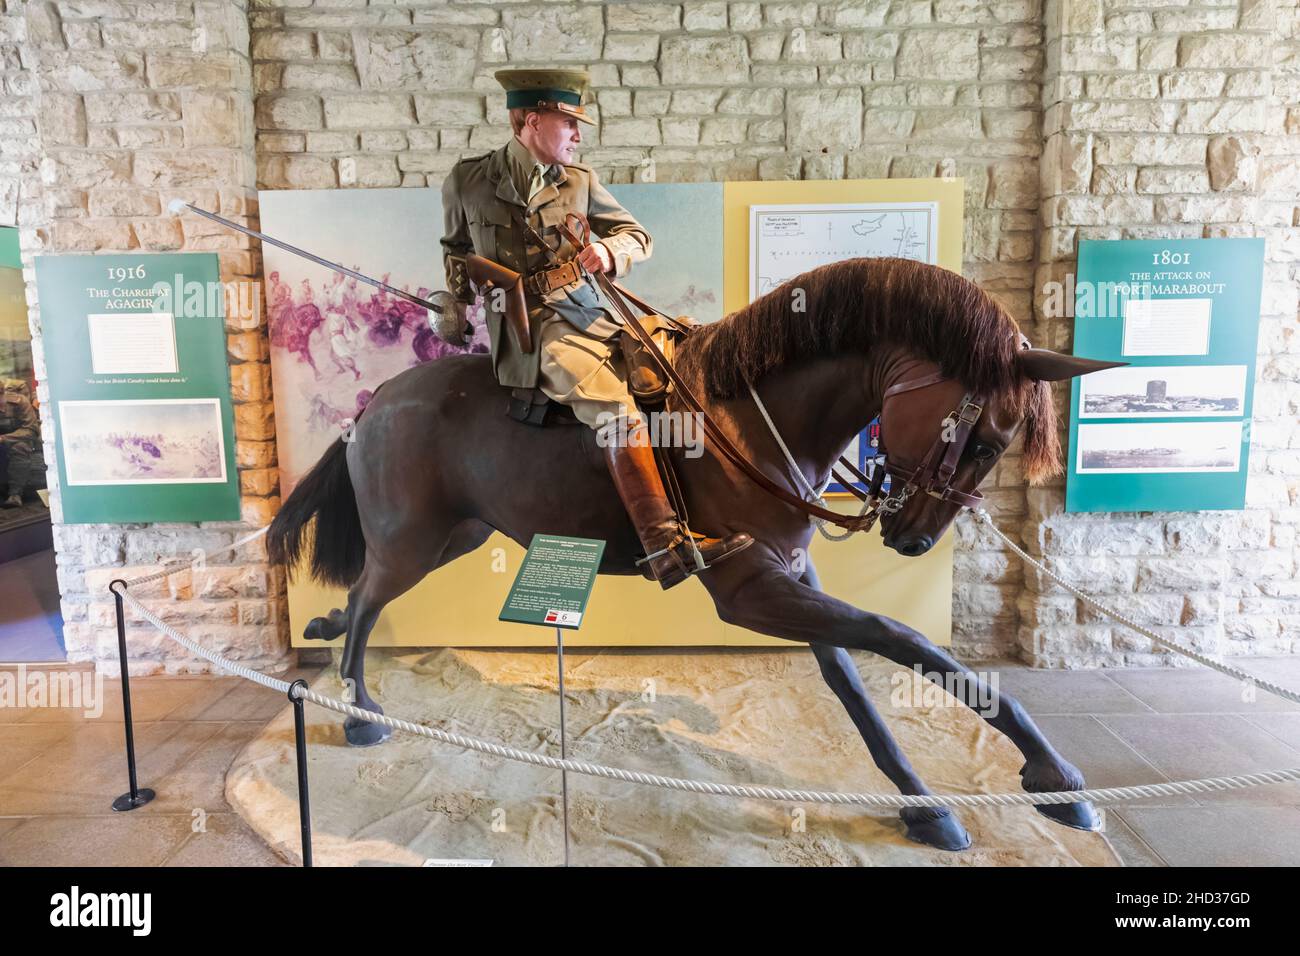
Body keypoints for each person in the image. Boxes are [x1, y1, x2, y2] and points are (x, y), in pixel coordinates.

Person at [438, 68, 751, 589]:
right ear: (532, 121)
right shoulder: (468, 181)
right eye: (569, 123)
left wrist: (610, 250)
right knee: (615, 409)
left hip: (596, 309)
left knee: (680, 361)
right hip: (534, 330)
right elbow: (456, 250)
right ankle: (664, 545)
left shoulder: (579, 182)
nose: (578, 135)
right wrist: (452, 302)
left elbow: (638, 235)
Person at [0, 378, 40, 507]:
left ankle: (15, 495)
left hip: (21, 439)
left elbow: (31, 430)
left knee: (20, 448)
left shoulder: (19, 402)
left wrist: (4, 439)